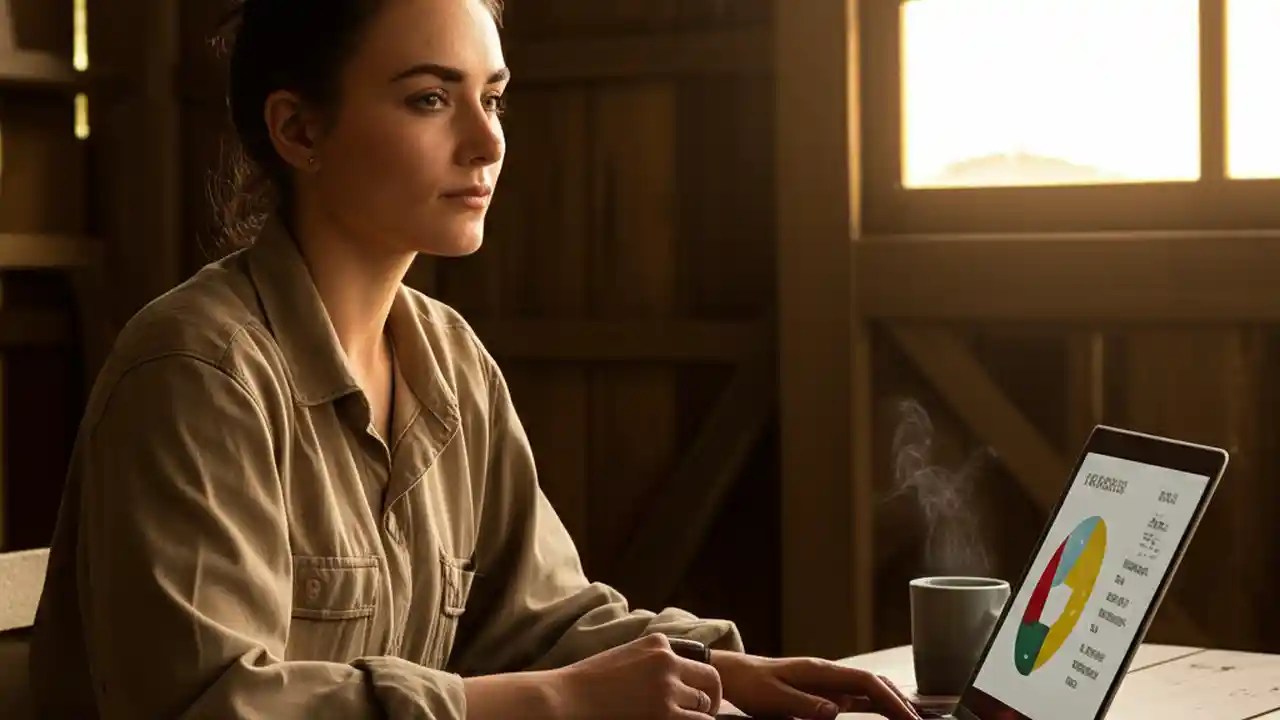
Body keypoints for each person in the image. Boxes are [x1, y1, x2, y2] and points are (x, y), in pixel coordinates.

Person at [29, 1, 921, 718]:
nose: (488, 141)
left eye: (492, 97)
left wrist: (725, 670)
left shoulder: (447, 360)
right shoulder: (199, 373)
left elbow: (539, 619)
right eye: (429, 98)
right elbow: (213, 705)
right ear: (299, 130)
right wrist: (558, 702)